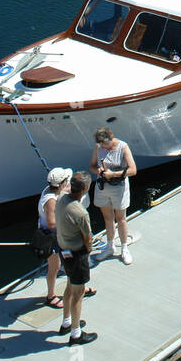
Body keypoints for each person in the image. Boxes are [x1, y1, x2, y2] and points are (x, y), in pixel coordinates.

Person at [54, 171, 97, 344]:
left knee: (69, 286)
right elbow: (87, 237)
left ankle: (67, 322)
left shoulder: (60, 200)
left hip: (63, 250)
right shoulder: (81, 213)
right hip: (77, 254)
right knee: (78, 294)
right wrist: (89, 250)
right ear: (86, 188)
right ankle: (76, 334)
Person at [91, 127, 137, 264]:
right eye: (101, 145)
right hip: (103, 186)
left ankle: (124, 249)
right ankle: (109, 246)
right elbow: (92, 166)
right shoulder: (98, 147)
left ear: (110, 139)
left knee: (121, 218)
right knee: (107, 217)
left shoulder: (123, 147)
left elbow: (133, 170)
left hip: (119, 187)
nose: (103, 147)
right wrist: (98, 171)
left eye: (105, 144)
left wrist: (114, 174)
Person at [37, 166, 71, 307]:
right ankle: (50, 296)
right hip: (53, 238)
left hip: (59, 236)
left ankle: (76, 286)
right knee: (54, 267)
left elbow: (61, 191)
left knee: (70, 262)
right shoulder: (50, 200)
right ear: (61, 183)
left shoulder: (49, 189)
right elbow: (51, 223)